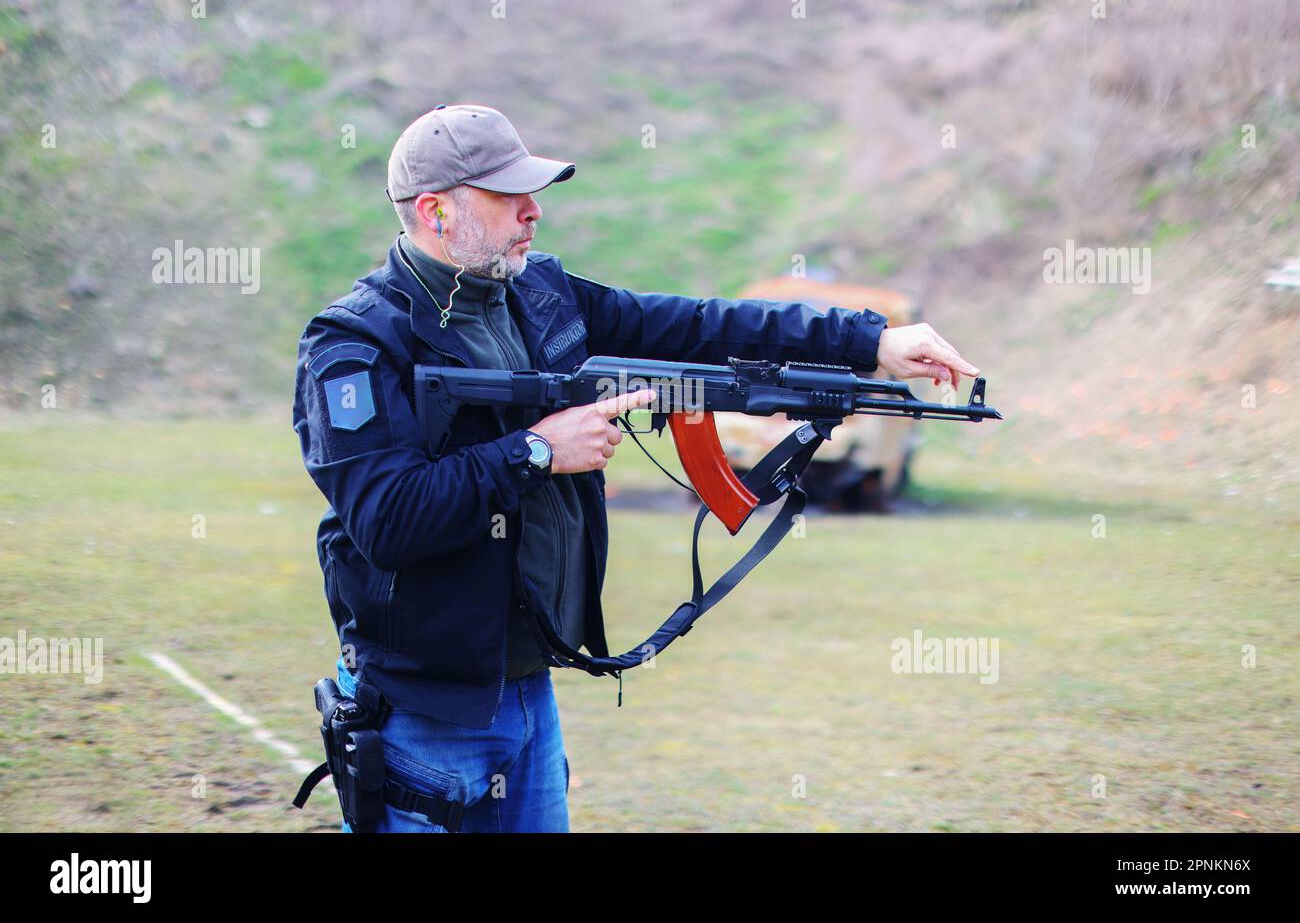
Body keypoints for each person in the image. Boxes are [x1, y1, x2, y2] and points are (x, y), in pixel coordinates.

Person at [291, 103, 980, 832]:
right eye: (508, 196)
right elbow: (387, 519)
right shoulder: (356, 343)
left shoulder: (538, 293)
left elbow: (699, 324)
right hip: (422, 711)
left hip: (527, 687)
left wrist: (869, 342)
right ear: (434, 211)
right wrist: (538, 451)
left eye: (533, 192)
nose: (534, 212)